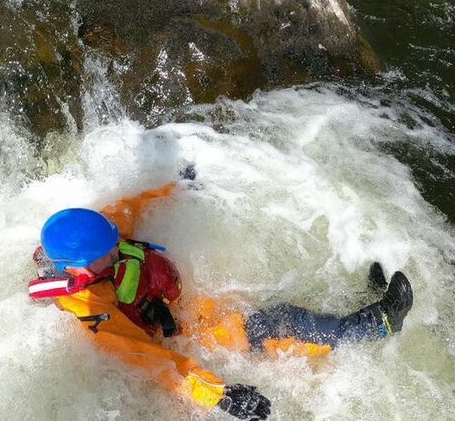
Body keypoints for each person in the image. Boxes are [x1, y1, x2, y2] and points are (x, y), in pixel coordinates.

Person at [28, 176, 414, 420]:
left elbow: (130, 207)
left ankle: (359, 307)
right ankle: (379, 323)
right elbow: (153, 361)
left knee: (282, 308)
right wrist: (221, 395)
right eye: (105, 253)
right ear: (75, 267)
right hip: (182, 336)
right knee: (275, 325)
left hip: (185, 309)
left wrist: (176, 186)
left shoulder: (95, 234)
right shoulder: (92, 313)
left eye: (114, 241)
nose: (115, 250)